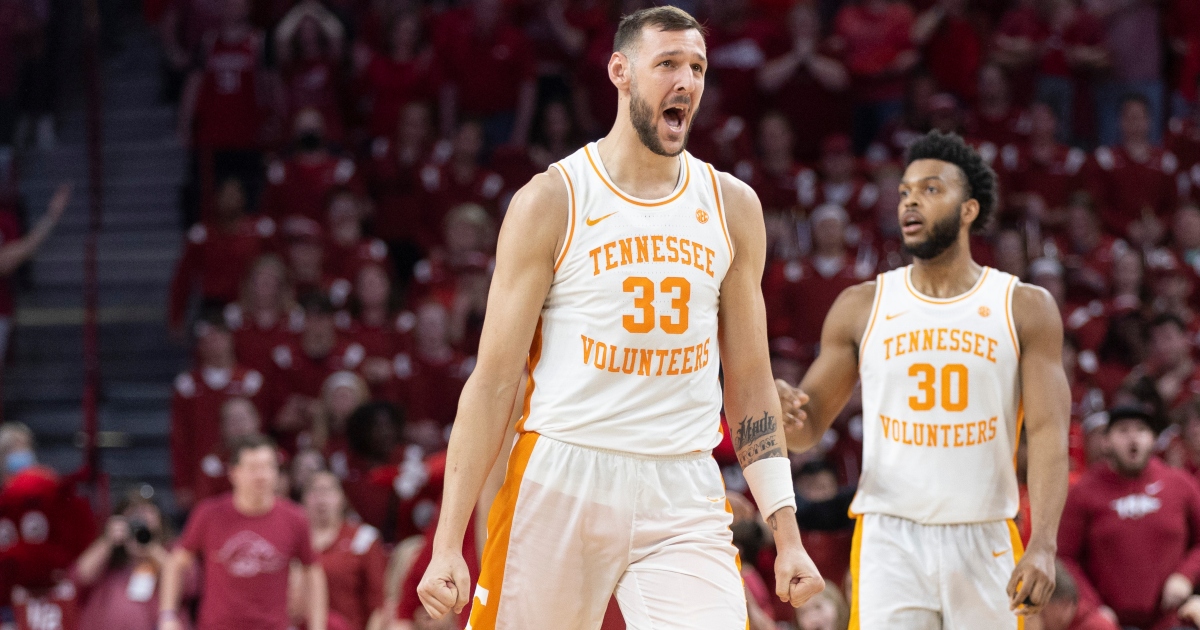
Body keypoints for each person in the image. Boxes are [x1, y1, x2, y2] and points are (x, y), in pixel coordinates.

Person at [416, 6, 823, 629]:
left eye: (697, 67)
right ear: (620, 71)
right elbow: (494, 381)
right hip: (562, 476)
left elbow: (750, 384)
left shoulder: (732, 207)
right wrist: (448, 542)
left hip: (682, 484)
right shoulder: (552, 200)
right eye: (667, 64)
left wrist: (786, 531)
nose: (685, 81)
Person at [778, 130, 1070, 627]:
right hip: (890, 539)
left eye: (932, 189)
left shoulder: (1023, 307)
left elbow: (1047, 433)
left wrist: (1043, 543)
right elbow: (806, 431)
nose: (911, 200)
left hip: (985, 533)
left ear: (969, 210)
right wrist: (784, 412)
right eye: (905, 191)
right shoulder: (861, 305)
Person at [158, 434, 328, 630]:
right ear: (234, 473)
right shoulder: (209, 514)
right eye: (253, 468)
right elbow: (176, 563)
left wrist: (318, 625)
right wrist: (167, 615)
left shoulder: (295, 518)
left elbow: (313, 572)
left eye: (267, 466)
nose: (261, 475)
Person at [1057, 405, 1200, 630]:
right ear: (1106, 441)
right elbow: (1065, 557)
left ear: (1153, 439)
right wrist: (1093, 607)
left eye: (1141, 430)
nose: (1133, 438)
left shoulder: (1181, 485)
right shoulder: (1083, 492)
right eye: (1123, 431)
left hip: (1172, 621)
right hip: (1109, 623)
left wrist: (1185, 575)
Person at [74, 490, 186, 630]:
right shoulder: (109, 559)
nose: (139, 520)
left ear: (160, 521)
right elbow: (80, 576)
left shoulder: (173, 550)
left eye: (147, 512)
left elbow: (189, 582)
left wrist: (150, 546)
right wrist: (107, 540)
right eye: (133, 513)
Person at [303, 471, 387, 630]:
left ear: (341, 498)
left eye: (328, 491)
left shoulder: (363, 538)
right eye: (314, 491)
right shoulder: (293, 540)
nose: (321, 498)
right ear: (304, 498)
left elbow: (378, 602)